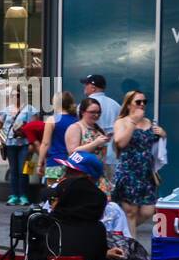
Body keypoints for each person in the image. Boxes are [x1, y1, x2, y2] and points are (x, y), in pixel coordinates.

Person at [112, 89, 165, 232]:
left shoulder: (149, 122)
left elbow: (155, 145)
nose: (142, 104)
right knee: (131, 213)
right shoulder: (122, 122)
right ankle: (131, 249)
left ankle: (122, 231)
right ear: (129, 105)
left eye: (144, 102)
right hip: (128, 172)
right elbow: (120, 142)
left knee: (148, 211)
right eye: (138, 102)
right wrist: (133, 122)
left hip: (146, 174)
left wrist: (163, 134)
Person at [0, 86, 36, 205]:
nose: (14, 97)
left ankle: (23, 195)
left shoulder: (30, 109)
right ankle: (14, 195)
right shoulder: (7, 110)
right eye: (12, 95)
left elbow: (34, 126)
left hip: (25, 144)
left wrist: (32, 143)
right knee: (13, 170)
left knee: (24, 170)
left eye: (17, 95)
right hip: (10, 143)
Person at [80, 73, 122, 182]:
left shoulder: (83, 106)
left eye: (86, 84)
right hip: (112, 156)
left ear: (93, 88)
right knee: (111, 190)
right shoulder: (116, 105)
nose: (84, 87)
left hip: (91, 157)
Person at [37, 92, 78, 188]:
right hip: (73, 162)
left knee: (53, 192)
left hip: (54, 161)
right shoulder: (77, 120)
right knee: (70, 190)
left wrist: (39, 163)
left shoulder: (52, 120)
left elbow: (45, 143)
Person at [65, 96, 109, 160]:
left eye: (98, 112)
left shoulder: (99, 129)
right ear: (83, 112)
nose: (96, 115)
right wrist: (96, 143)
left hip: (97, 168)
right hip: (81, 168)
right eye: (92, 112)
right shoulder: (75, 128)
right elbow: (72, 153)